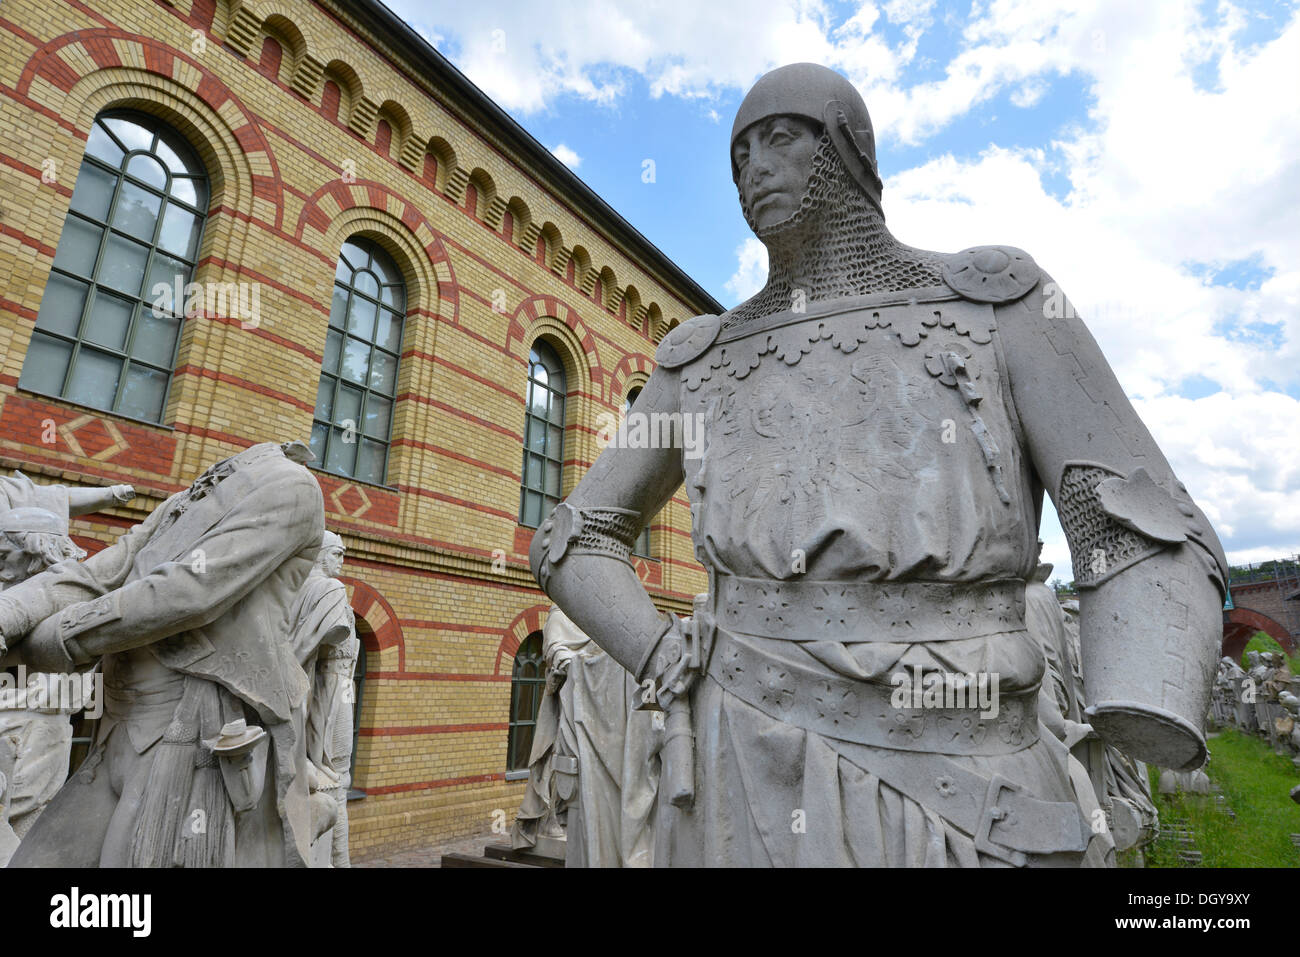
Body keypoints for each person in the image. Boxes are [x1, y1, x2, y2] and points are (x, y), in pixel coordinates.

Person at [530, 63, 1227, 867]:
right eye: (739, 156)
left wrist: (1142, 695)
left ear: (847, 151)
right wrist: (657, 651)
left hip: (968, 769)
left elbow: (1139, 522)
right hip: (742, 761)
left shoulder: (996, 305)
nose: (754, 169)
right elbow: (574, 537)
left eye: (780, 139)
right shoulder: (702, 359)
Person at [0, 441, 324, 867]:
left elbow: (188, 592)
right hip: (120, 726)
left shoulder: (289, 485)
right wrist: (9, 615)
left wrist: (45, 642)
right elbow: (99, 574)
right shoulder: (190, 497)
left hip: (192, 727)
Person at [0, 506, 89, 863]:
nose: (0, 563)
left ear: (37, 552)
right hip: (15, 723)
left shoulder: (70, 602)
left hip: (37, 729)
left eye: (5, 554)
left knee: (22, 827)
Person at [288, 530, 358, 868]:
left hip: (322, 687)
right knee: (338, 774)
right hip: (335, 689)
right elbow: (312, 644)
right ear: (319, 554)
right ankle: (339, 861)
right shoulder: (329, 589)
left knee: (332, 773)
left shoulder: (296, 588)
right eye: (336, 553)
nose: (342, 560)